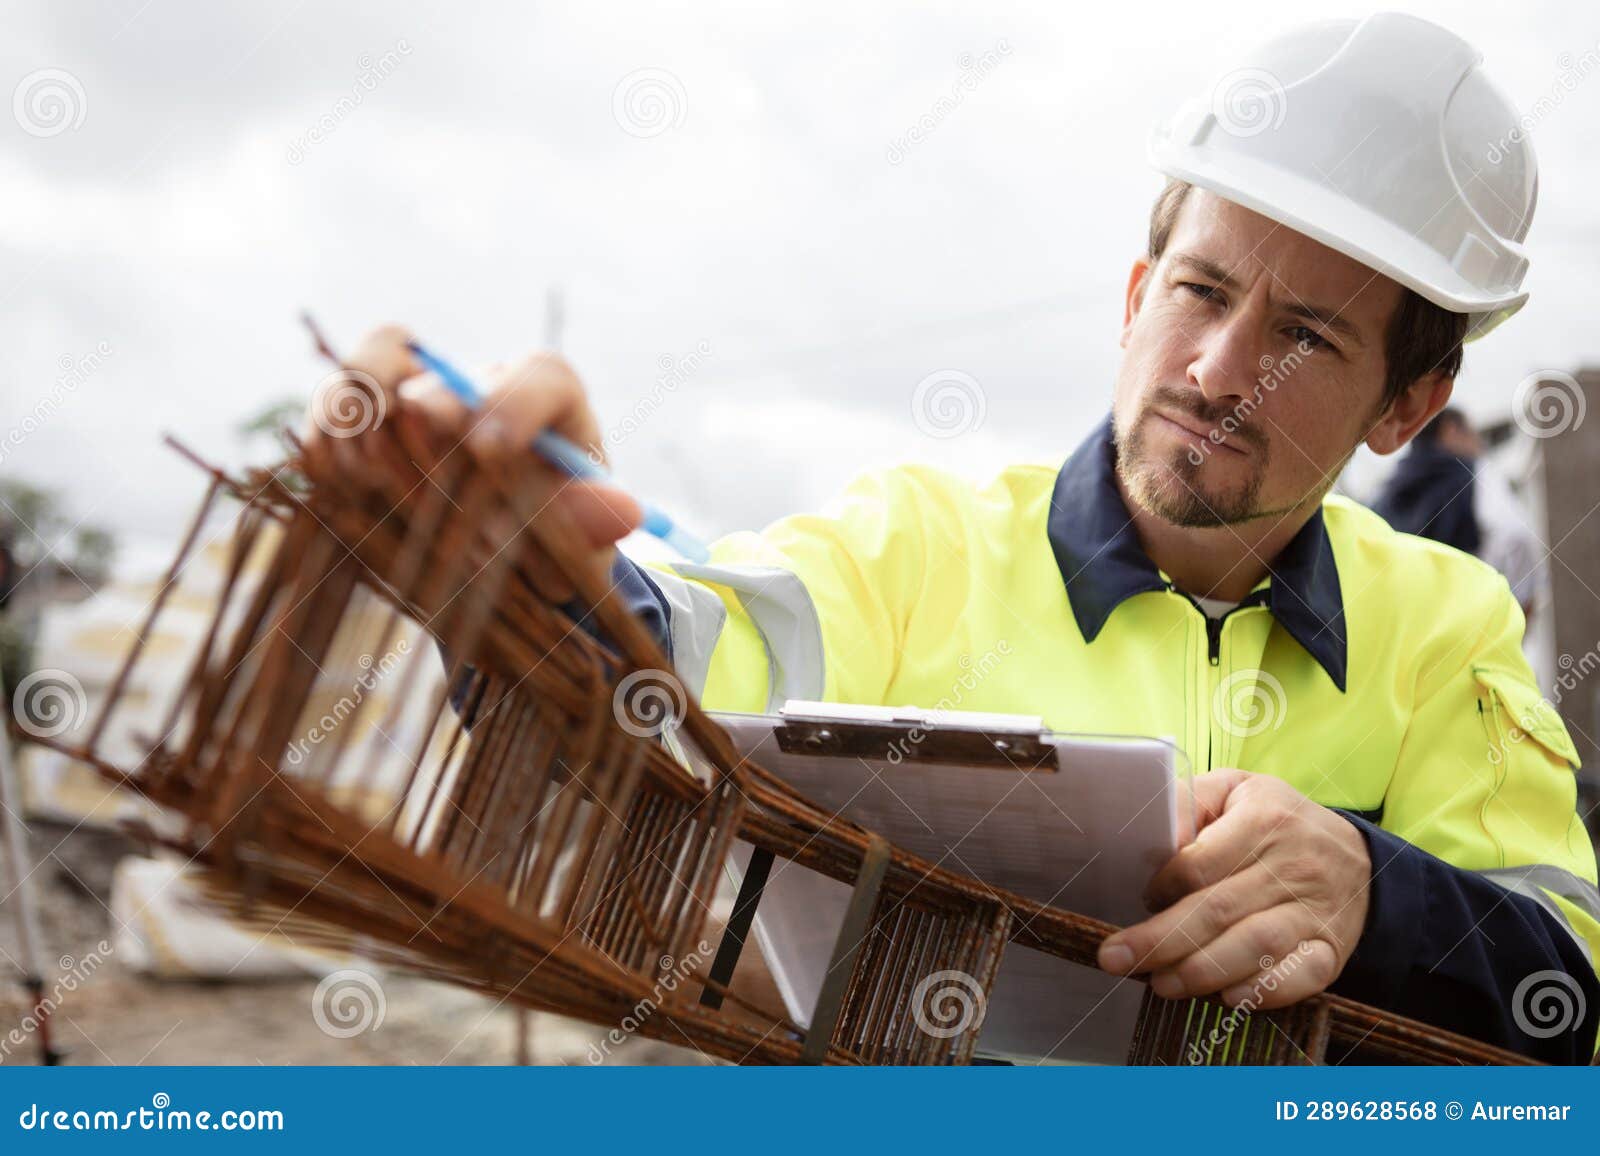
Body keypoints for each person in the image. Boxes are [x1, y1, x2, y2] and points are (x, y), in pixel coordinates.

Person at [308, 13, 1600, 1062]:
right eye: (1202, 291)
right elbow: (679, 673)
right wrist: (530, 570)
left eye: (1307, 336)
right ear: (1139, 295)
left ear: (1407, 407)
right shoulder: (918, 551)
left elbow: (1568, 990)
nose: (1217, 369)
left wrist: (1376, 895)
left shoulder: (1447, 626)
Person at [1374, 408, 1546, 623]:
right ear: (1451, 430)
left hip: (1405, 626)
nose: (1479, 444)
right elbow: (1515, 536)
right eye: (1474, 434)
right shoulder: (1477, 472)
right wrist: (1517, 613)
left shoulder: (1390, 489)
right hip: (1466, 623)